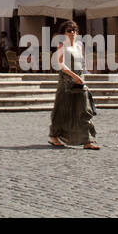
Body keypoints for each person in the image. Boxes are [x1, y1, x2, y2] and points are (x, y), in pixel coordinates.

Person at [48, 20, 99, 150]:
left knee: (84, 109)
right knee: (62, 109)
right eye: (69, 31)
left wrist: (83, 80)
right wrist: (74, 76)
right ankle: (54, 136)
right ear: (64, 33)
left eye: (74, 30)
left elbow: (81, 65)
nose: (73, 33)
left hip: (79, 80)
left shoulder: (79, 46)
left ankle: (87, 140)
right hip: (66, 81)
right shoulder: (61, 46)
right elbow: (60, 64)